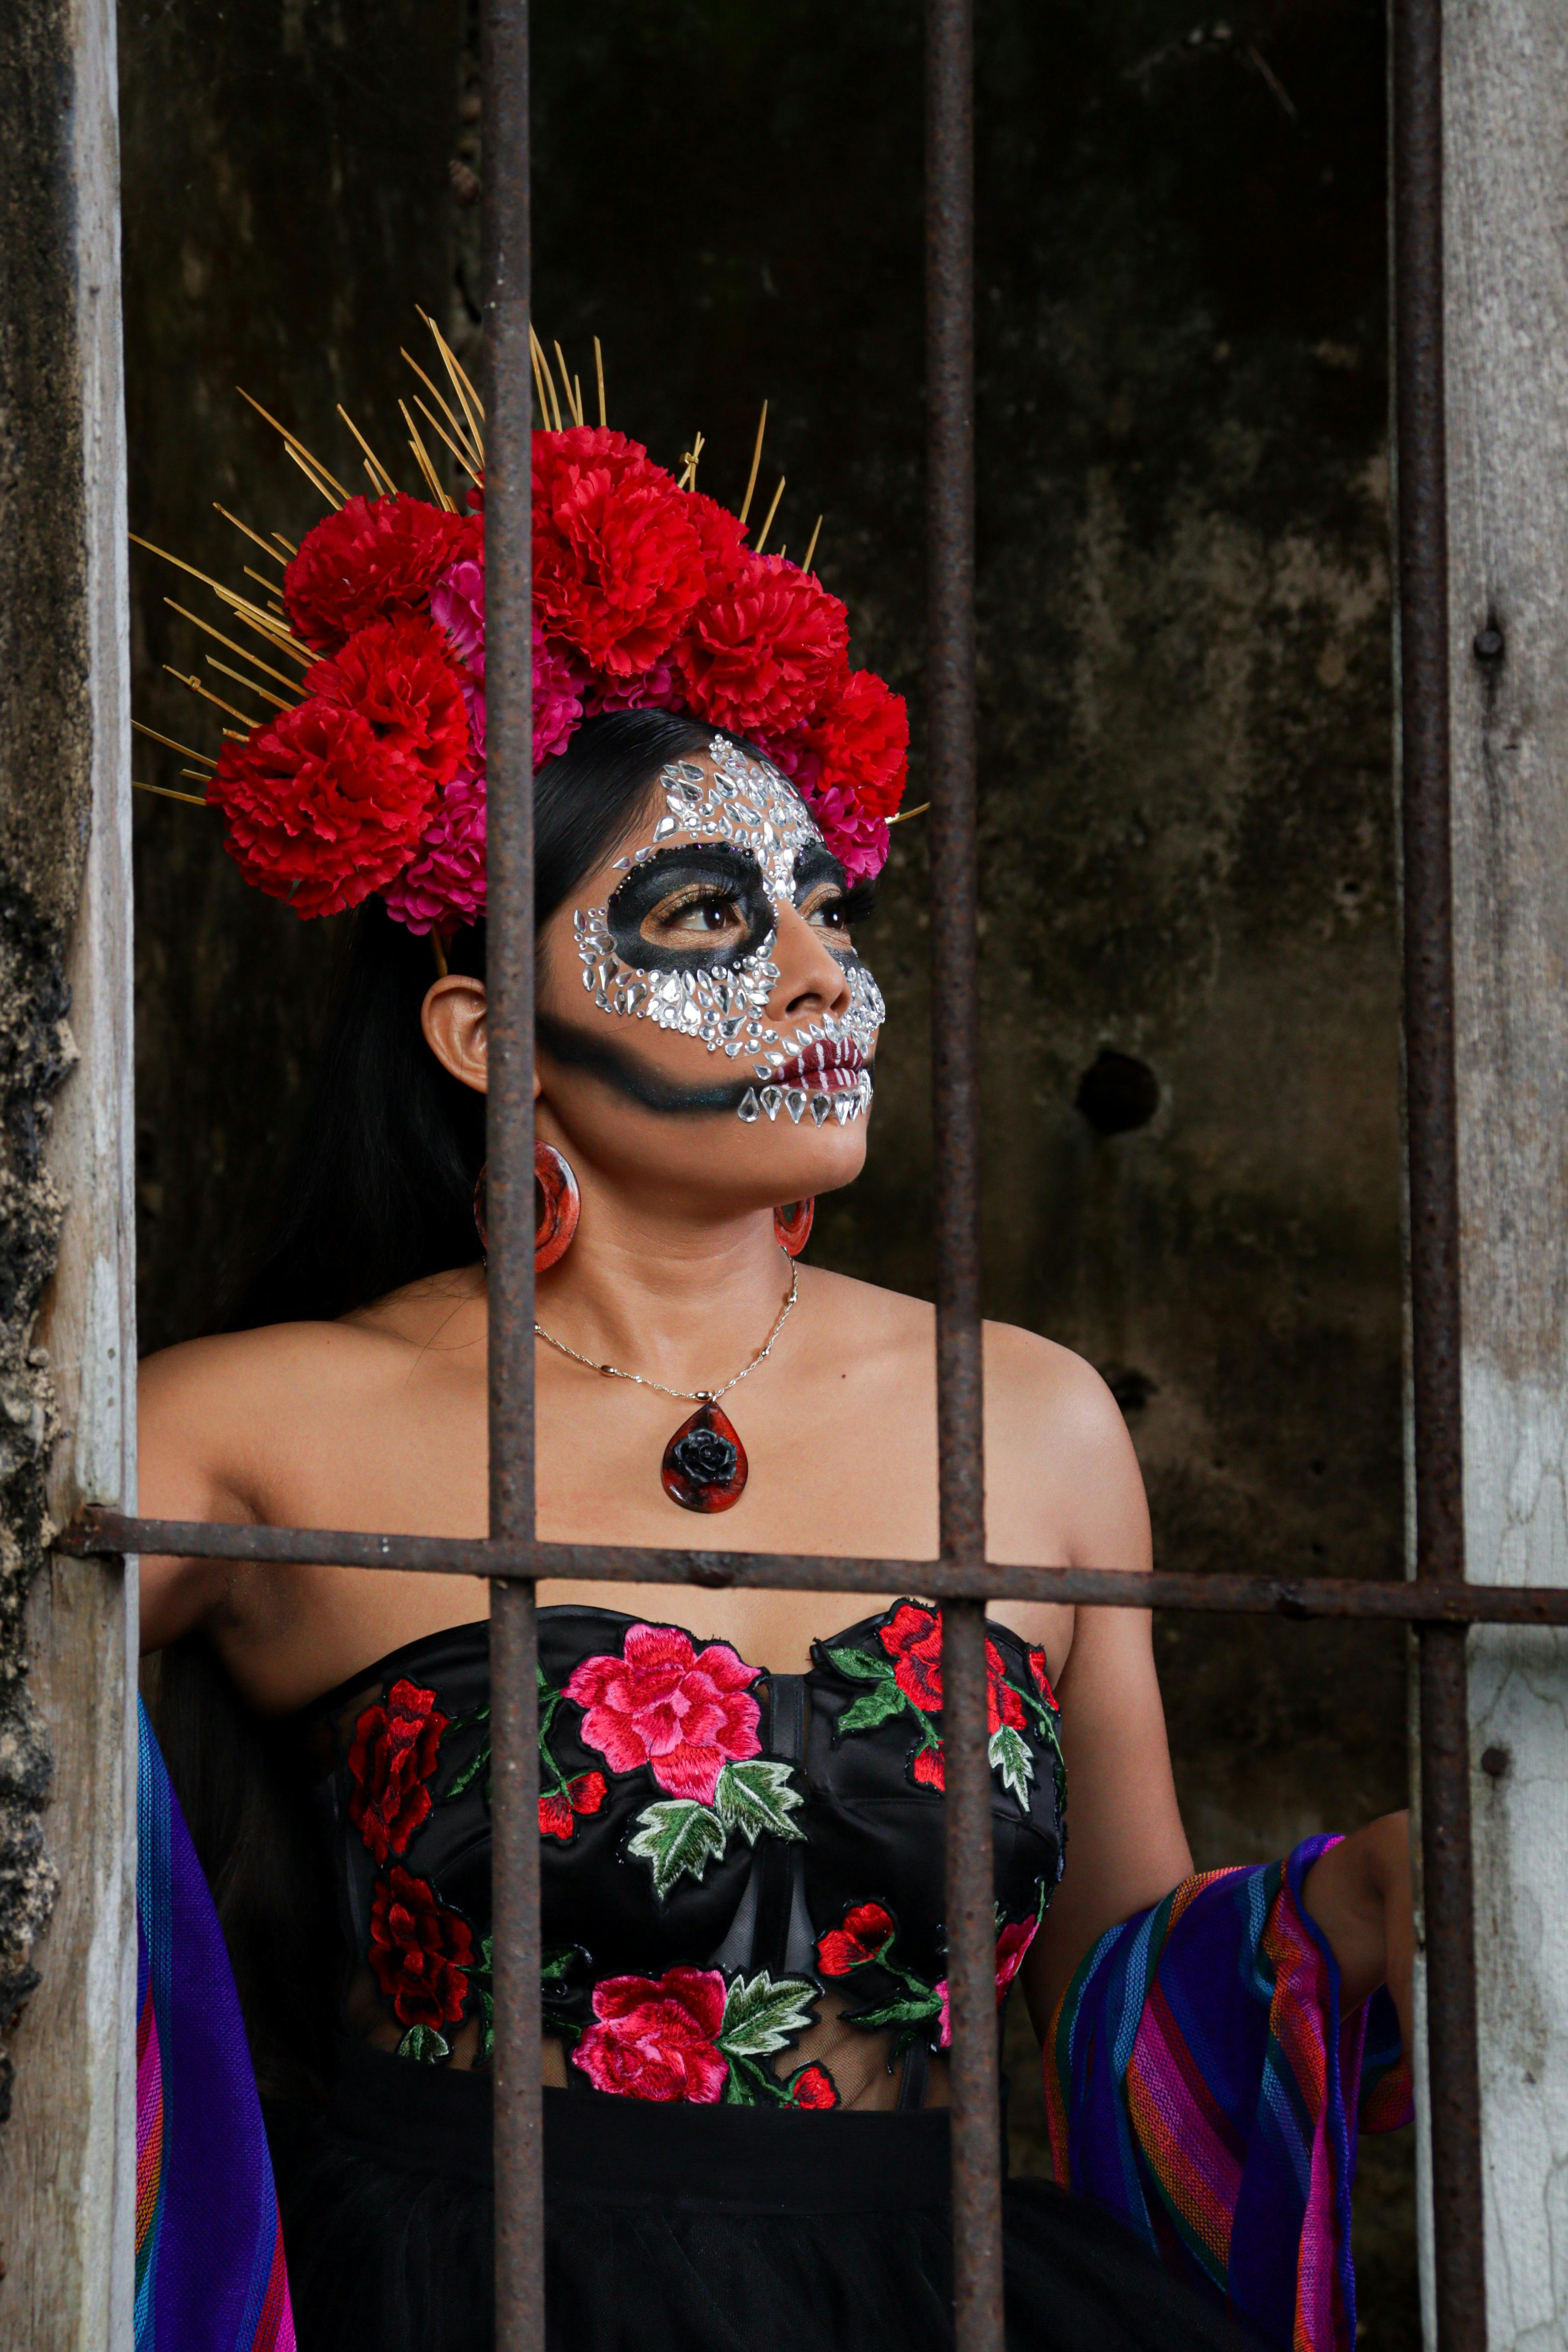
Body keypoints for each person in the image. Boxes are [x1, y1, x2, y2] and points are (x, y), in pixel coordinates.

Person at [133, 337, 1412, 2352]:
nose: (831, 977)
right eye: (718, 920)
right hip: (455, 2287)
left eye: (828, 902)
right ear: (484, 1038)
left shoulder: (1036, 1421)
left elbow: (1115, 2003)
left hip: (933, 2287)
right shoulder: (245, 1433)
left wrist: (1368, 1915)